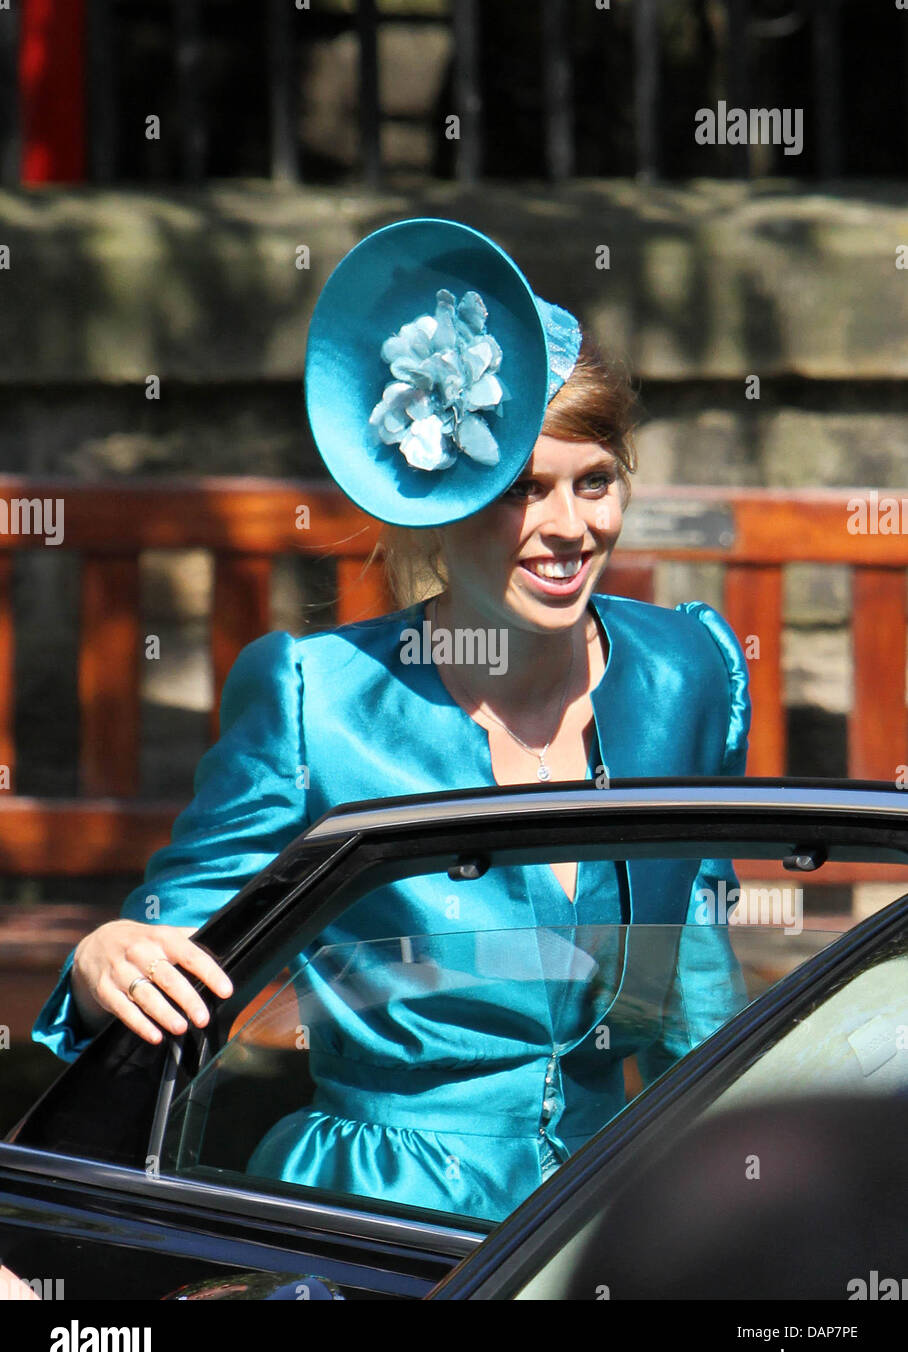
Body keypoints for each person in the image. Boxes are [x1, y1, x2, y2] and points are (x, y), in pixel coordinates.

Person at [33, 218, 751, 1223]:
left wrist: (747, 1177)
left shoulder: (685, 670)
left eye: (594, 481)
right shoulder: (316, 701)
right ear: (446, 499)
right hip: (379, 1212)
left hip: (603, 1205)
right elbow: (181, 941)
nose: (570, 527)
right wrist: (108, 954)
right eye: (523, 490)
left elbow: (699, 977)